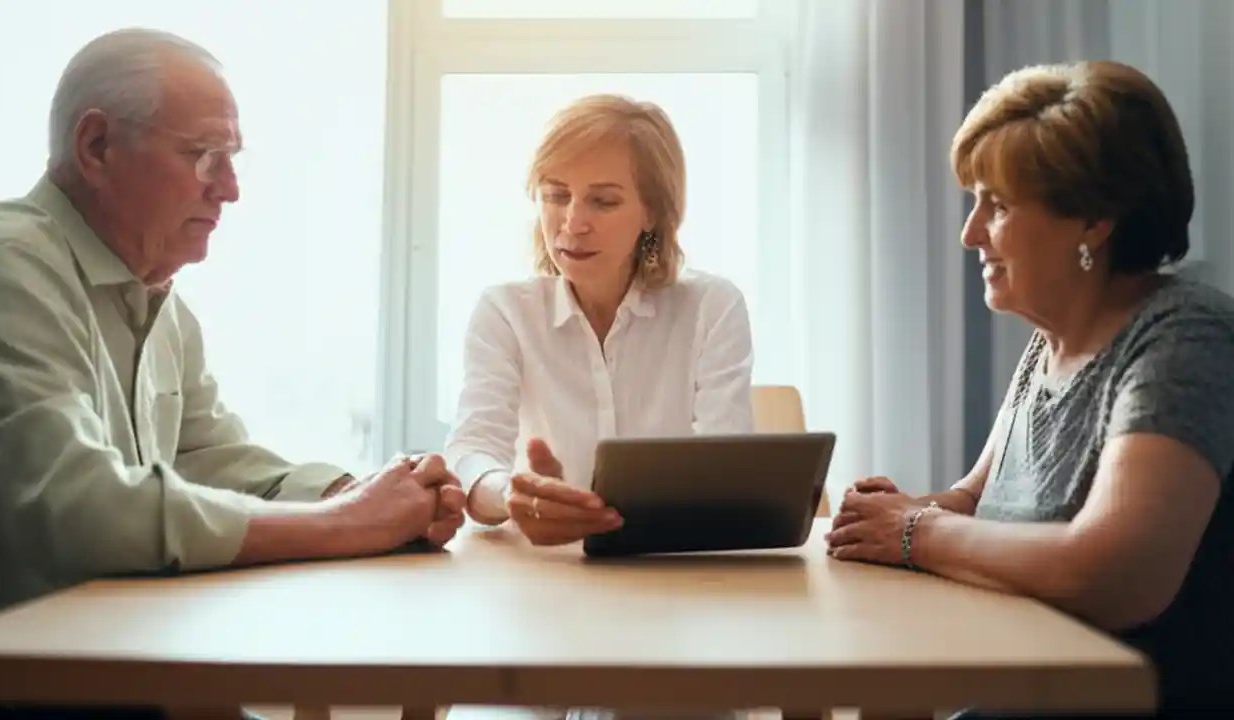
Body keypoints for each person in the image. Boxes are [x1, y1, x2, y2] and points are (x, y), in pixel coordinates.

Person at [0, 28, 465, 719]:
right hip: (17, 693)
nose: (229, 191)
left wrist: (370, 494)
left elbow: (210, 458)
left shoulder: (159, 300)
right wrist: (344, 524)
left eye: (232, 161)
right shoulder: (5, 266)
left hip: (121, 669)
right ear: (96, 146)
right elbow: (83, 510)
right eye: (203, 156)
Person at [825, 60, 1234, 718]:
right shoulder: (1052, 340)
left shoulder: (1185, 340)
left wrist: (915, 532)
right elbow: (974, 503)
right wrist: (883, 519)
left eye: (999, 204)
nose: (971, 233)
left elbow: (1115, 573)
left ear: (1094, 220)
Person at [443, 93, 756, 549]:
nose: (572, 222)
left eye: (603, 202)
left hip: (674, 570)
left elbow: (724, 471)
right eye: (556, 196)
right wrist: (511, 493)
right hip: (543, 574)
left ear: (652, 211)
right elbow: (472, 450)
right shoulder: (505, 312)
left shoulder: (712, 307)